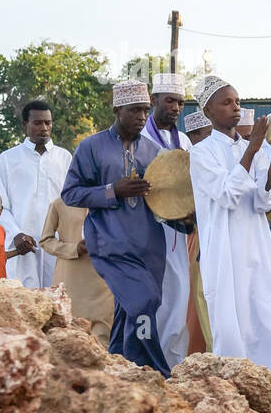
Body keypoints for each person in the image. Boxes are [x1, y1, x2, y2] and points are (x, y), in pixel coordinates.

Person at [60, 80, 180, 374]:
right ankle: (154, 370)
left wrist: (185, 217)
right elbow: (71, 193)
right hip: (110, 244)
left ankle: (116, 365)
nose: (141, 117)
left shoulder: (153, 152)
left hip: (149, 246)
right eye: (134, 111)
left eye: (144, 110)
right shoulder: (91, 147)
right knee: (143, 302)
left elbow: (163, 201)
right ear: (117, 110)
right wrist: (113, 190)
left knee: (131, 310)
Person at [189, 76, 271, 399]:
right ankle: (235, 397)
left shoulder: (255, 148)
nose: (236, 108)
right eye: (227, 103)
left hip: (257, 243)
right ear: (208, 111)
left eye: (237, 101)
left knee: (268, 316)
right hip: (224, 249)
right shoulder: (201, 153)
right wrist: (253, 150)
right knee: (232, 323)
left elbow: (263, 201)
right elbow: (227, 194)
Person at [140, 71, 192, 367]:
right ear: (153, 100)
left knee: (178, 297)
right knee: (152, 300)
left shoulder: (183, 140)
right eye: (170, 101)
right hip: (147, 232)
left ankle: (174, 366)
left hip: (178, 232)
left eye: (180, 103)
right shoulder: (140, 137)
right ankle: (147, 365)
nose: (175, 108)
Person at [0, 100, 72, 289]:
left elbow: (71, 203)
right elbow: (0, 206)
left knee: (57, 300)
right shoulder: (8, 158)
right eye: (37, 123)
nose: (44, 128)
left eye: (48, 123)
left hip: (56, 243)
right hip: (21, 244)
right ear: (24, 125)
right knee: (24, 303)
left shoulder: (64, 157)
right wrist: (15, 234)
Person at [40, 195, 112, 347]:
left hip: (103, 282)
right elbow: (46, 240)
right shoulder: (60, 203)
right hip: (70, 281)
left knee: (102, 342)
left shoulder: (110, 198)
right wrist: (74, 248)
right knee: (68, 339)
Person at [181, 109, 213, 353]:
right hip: (195, 237)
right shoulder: (191, 160)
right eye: (208, 133)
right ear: (194, 134)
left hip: (211, 234)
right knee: (199, 296)